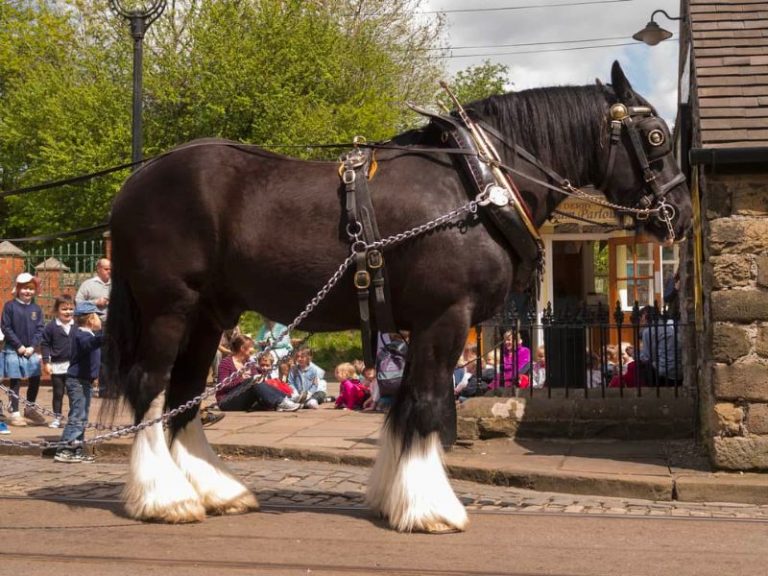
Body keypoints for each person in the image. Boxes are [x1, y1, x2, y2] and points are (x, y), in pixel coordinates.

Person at [54, 302, 103, 463]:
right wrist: (106, 337)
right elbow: (88, 345)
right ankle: (65, 449)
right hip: (77, 381)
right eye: (98, 316)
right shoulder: (82, 335)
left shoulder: (89, 335)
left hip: (85, 381)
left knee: (81, 415)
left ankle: (76, 449)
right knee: (78, 415)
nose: (100, 320)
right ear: (90, 319)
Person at [1, 272, 46, 427]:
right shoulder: (10, 306)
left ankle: (30, 408)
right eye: (25, 288)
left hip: (30, 350)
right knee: (15, 380)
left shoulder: (36, 309)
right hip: (14, 349)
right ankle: (14, 413)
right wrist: (19, 346)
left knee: (35, 377)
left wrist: (32, 347)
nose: (28, 292)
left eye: (31, 289)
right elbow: (6, 327)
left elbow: (40, 329)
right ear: (18, 289)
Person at [216, 335, 300, 412]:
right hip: (227, 402)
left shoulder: (249, 363)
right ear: (242, 348)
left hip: (244, 400)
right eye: (251, 347)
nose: (253, 350)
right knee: (253, 381)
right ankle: (281, 401)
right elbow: (222, 386)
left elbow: (258, 382)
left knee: (257, 381)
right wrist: (242, 380)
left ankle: (286, 398)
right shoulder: (226, 363)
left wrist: (261, 374)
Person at [41, 295, 75, 429]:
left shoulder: (76, 326)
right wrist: (46, 362)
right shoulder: (51, 327)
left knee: (73, 393)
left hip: (73, 366)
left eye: (71, 309)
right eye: (64, 309)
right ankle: (57, 417)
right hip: (57, 366)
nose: (68, 312)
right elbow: (45, 344)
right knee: (58, 393)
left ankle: (74, 418)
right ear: (57, 310)